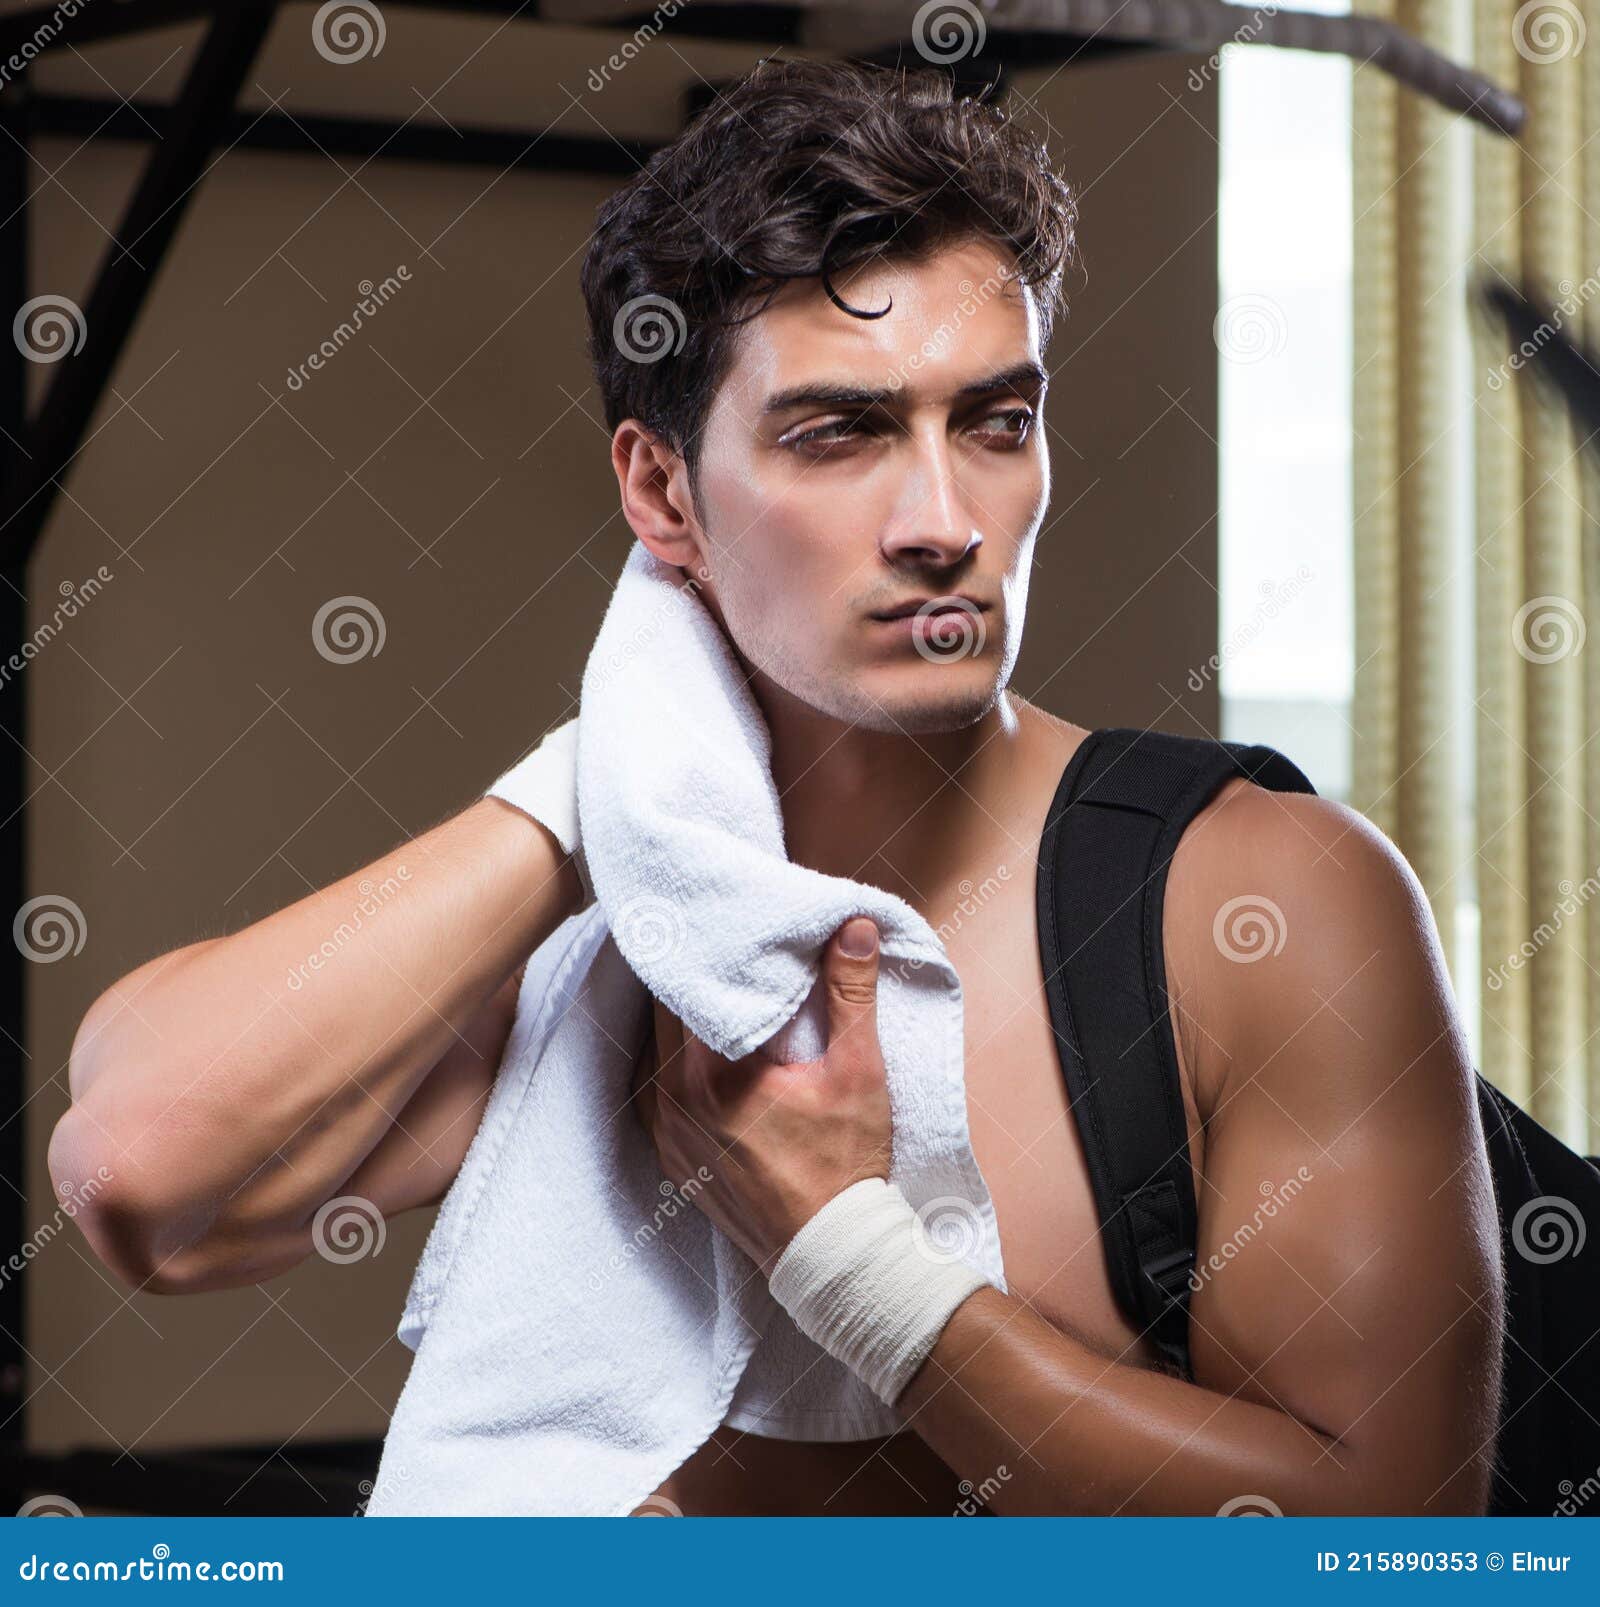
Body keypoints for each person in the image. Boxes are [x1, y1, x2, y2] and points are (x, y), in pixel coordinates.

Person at [51, 58, 1500, 1516]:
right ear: (663, 496)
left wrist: (851, 1259)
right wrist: (600, 787)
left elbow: (1385, 1538)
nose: (945, 525)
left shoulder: (1252, 900)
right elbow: (143, 1184)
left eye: (995, 423)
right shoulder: (621, 933)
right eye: (841, 433)